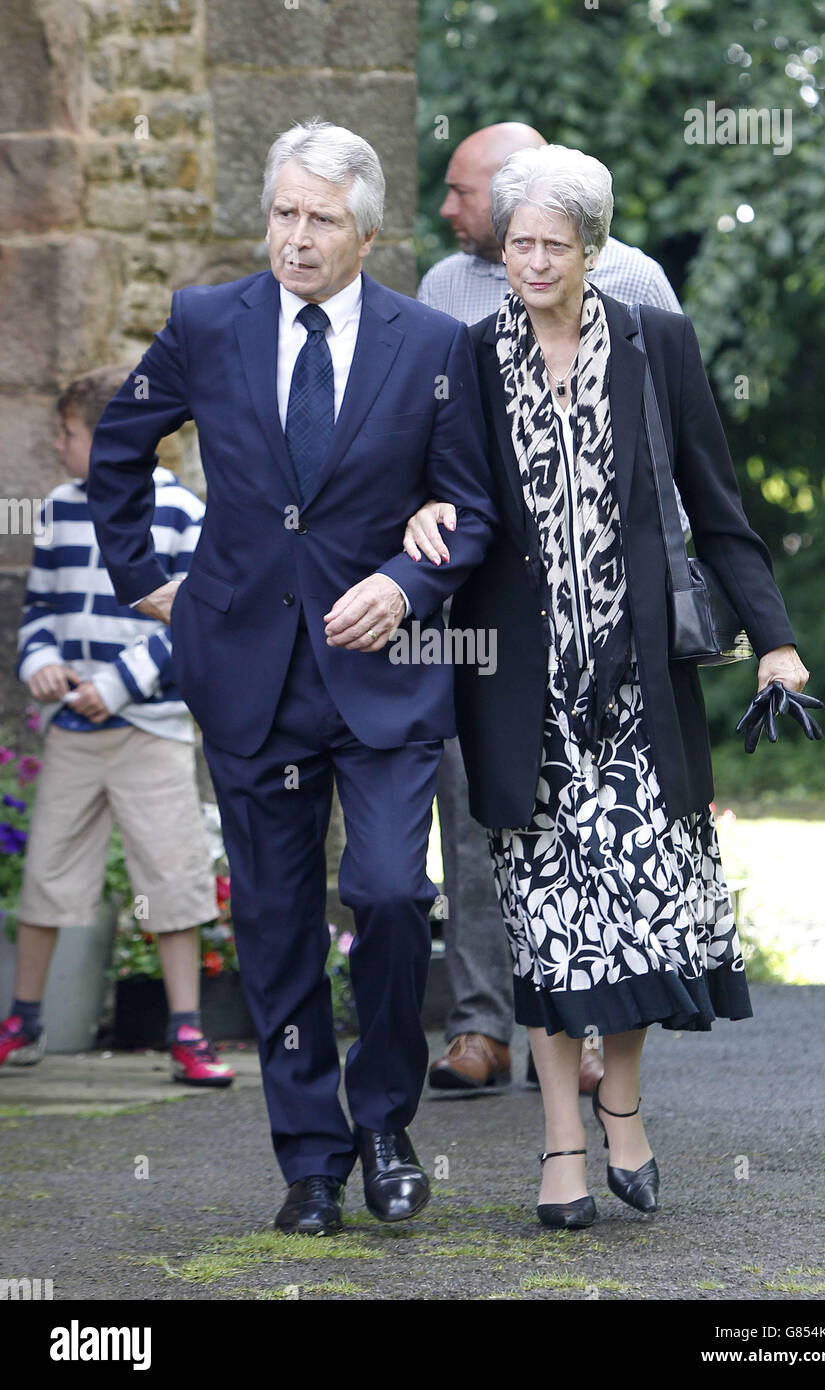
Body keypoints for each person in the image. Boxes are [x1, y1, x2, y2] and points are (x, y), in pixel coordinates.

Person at [86, 121, 497, 1236]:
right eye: (283, 214)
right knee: (272, 927)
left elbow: (472, 510)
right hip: (248, 674)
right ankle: (310, 1159)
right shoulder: (206, 322)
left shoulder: (429, 346)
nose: (295, 238)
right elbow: (120, 446)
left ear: (366, 231)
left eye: (319, 219)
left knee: (388, 893)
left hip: (383, 680)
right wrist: (146, 583)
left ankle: (384, 1121)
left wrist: (408, 589)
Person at [404, 144, 809, 1228]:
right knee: (545, 924)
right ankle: (562, 1143)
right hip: (518, 690)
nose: (530, 262)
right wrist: (415, 519)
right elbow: (432, 483)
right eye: (515, 244)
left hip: (636, 687)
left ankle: (620, 1103)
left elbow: (716, 509)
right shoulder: (469, 353)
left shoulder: (655, 343)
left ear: (594, 248)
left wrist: (773, 641)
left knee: (635, 915)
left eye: (551, 244)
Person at [418, 123, 682, 1097]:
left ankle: (582, 1013)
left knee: (596, 817)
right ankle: (482, 1024)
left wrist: (669, 595)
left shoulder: (641, 285)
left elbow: (671, 452)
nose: (450, 210)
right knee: (483, 808)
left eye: (460, 192)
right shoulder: (446, 291)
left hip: (608, 611)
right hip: (486, 610)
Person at [1, 365, 233, 1088]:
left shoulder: (181, 511)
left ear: (107, 440)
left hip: (153, 732)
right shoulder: (61, 511)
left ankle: (187, 1030)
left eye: (66, 432)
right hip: (72, 731)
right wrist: (40, 664)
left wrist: (118, 683)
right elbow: (39, 608)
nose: (56, 443)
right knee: (47, 873)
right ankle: (24, 1021)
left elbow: (194, 621)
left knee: (172, 877)